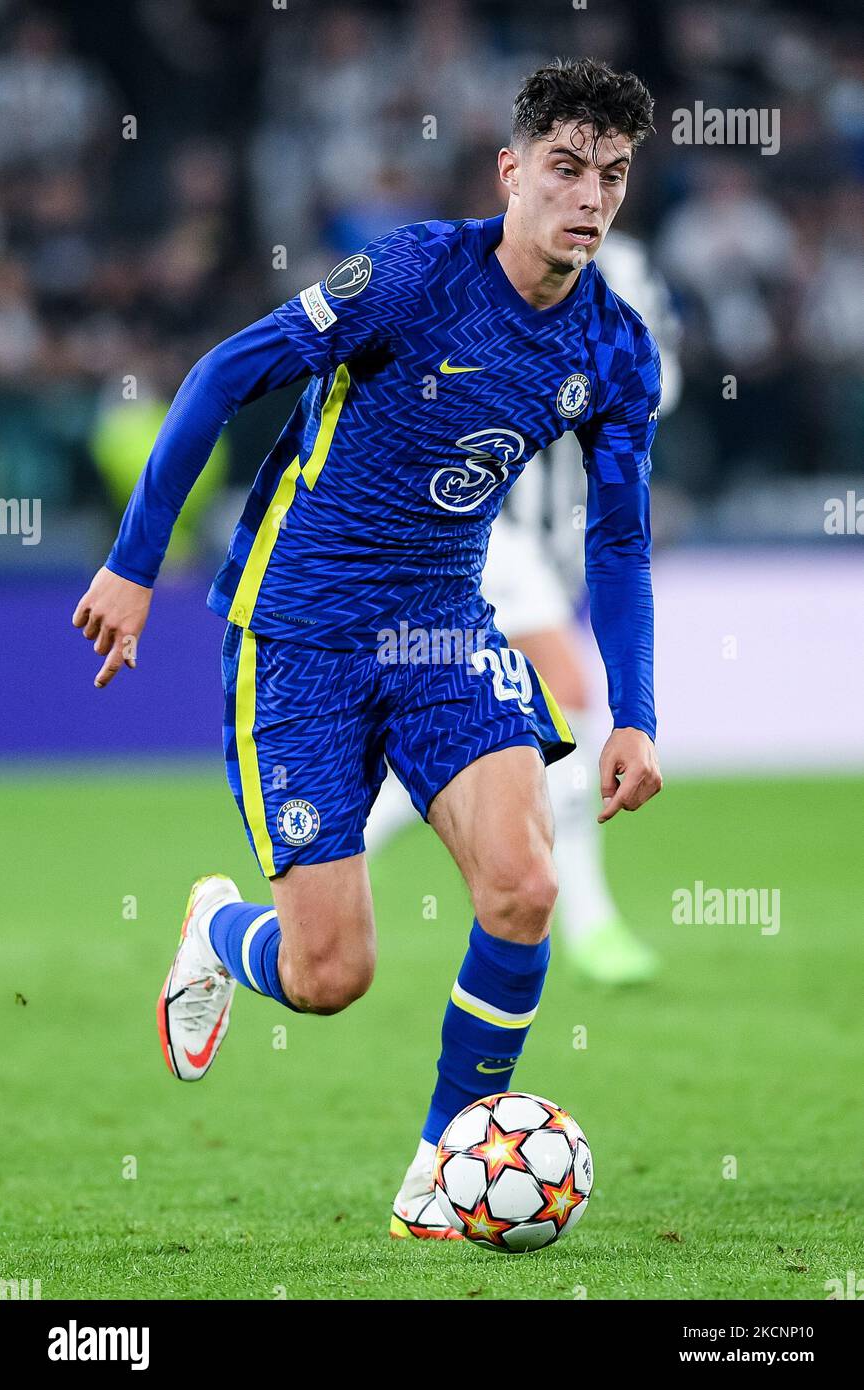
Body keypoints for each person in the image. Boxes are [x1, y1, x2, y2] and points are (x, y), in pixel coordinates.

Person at [72, 57, 663, 1240]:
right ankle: (217, 931)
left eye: (610, 174)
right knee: (328, 977)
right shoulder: (411, 276)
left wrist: (636, 711)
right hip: (302, 631)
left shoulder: (612, 349)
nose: (588, 196)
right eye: (563, 167)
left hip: (444, 631)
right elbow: (221, 374)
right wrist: (134, 563)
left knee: (525, 886)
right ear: (510, 172)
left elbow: (618, 541)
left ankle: (438, 1169)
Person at [366, 230, 681, 986]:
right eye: (570, 176)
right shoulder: (498, 272)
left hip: (551, 543)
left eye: (606, 178)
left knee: (482, 730)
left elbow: (655, 385)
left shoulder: (625, 286)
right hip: (492, 536)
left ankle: (329, 858)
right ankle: (592, 924)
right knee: (570, 698)